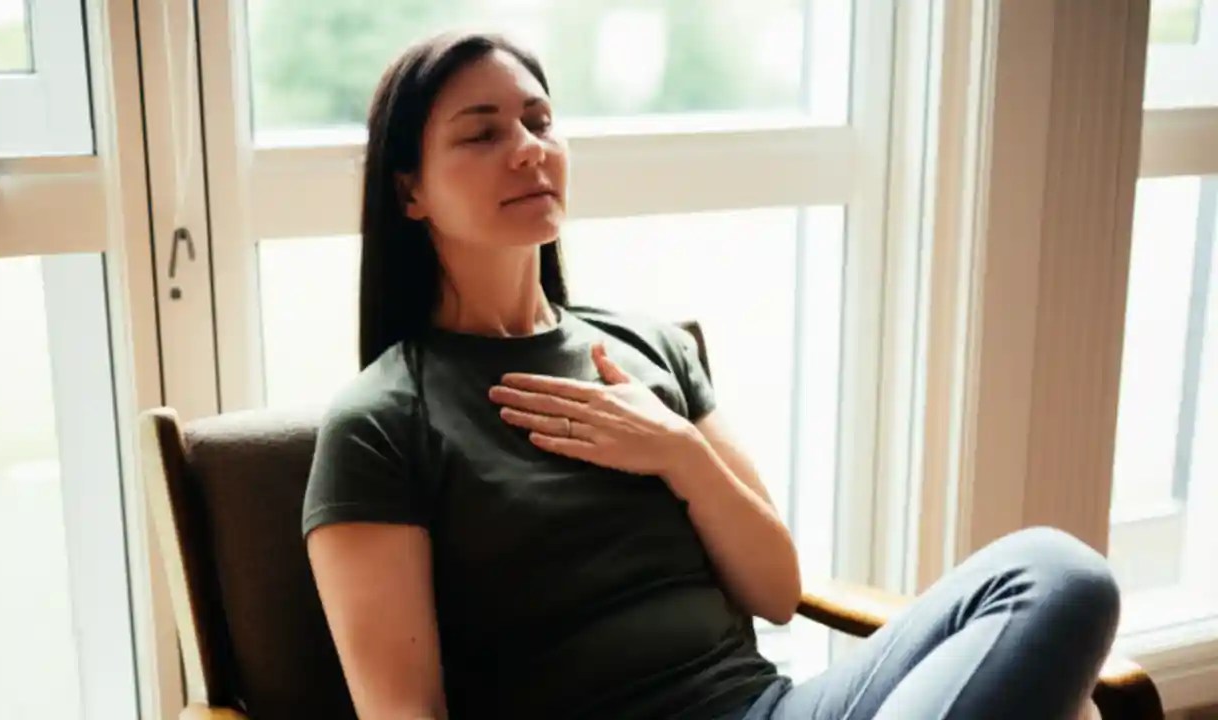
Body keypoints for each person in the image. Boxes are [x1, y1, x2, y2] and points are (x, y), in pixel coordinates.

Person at [302, 31, 1119, 720]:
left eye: (540, 121)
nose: (529, 149)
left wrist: (679, 453)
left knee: (1056, 573)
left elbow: (775, 588)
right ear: (409, 190)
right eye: (482, 134)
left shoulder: (649, 346)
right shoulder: (383, 423)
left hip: (772, 707)